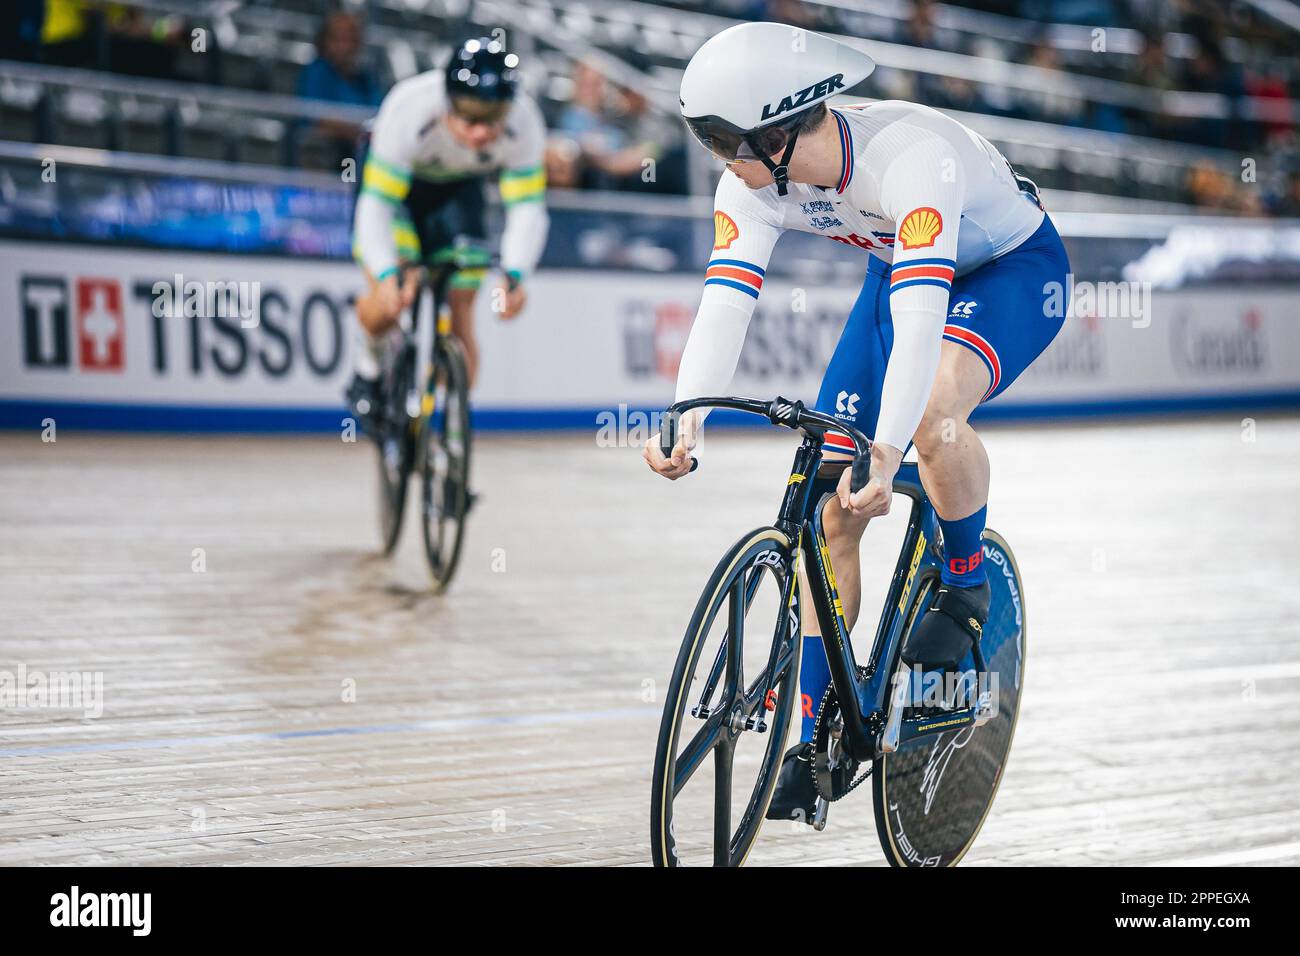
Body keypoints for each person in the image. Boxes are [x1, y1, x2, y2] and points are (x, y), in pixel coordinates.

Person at [642, 22, 1070, 821]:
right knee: (827, 510)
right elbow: (725, 300)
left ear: (774, 131)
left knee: (934, 418)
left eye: (719, 140)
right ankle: (812, 739)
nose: (712, 158)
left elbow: (920, 326)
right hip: (897, 271)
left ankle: (967, 583)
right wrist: (684, 414)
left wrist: (889, 448)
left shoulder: (912, 161)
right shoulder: (749, 180)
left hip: (1010, 270)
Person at [348, 36, 548, 420]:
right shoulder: (409, 108)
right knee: (394, 298)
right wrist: (388, 273)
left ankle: (449, 436)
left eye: (493, 117)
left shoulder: (524, 121)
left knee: (461, 309)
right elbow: (376, 207)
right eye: (469, 115)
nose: (480, 132)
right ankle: (368, 364)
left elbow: (527, 208)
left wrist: (516, 275)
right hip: (398, 196)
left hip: (459, 189)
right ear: (447, 100)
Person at [297, 10, 385, 167]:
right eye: (337, 39)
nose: (344, 46)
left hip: (356, 154)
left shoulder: (366, 79)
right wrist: (354, 131)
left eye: (350, 39)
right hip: (324, 154)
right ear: (324, 42)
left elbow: (376, 117)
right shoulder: (316, 72)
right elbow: (318, 119)